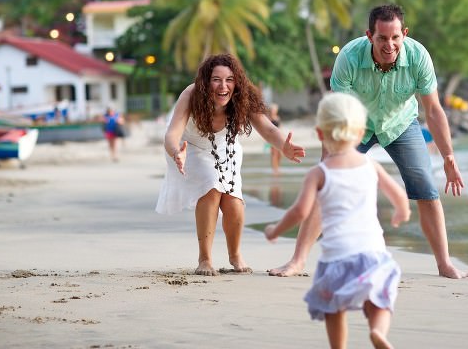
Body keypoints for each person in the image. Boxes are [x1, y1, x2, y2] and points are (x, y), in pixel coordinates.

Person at [269, 4, 468, 279]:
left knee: (426, 188)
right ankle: (297, 261)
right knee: (328, 185)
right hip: (356, 126)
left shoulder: (418, 56)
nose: (390, 45)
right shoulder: (349, 57)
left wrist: (448, 156)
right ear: (369, 36)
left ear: (404, 33)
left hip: (400, 124)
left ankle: (444, 264)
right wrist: (330, 159)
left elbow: (434, 110)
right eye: (382, 38)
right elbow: (338, 111)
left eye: (395, 37)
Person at [265, 92, 410, 349]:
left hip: (337, 256)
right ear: (361, 132)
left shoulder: (319, 173)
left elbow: (300, 212)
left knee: (334, 308)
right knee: (378, 300)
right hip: (373, 252)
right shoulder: (370, 165)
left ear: (320, 134)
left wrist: (275, 230)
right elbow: (398, 195)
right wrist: (402, 211)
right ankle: (378, 331)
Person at [156, 54, 306, 276]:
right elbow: (172, 134)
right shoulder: (191, 95)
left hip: (227, 148)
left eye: (229, 80)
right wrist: (176, 152)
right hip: (190, 149)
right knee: (211, 187)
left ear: (237, 82)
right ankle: (205, 259)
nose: (223, 86)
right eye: (216, 79)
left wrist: (284, 146)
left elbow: (267, 128)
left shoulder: (244, 95)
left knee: (234, 201)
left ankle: (235, 255)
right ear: (206, 82)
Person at [268, 103, 283, 175]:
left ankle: (277, 167)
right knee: (274, 153)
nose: (274, 111)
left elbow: (280, 128)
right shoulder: (268, 118)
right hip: (271, 137)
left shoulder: (278, 118)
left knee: (279, 153)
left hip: (278, 137)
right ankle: (274, 169)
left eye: (275, 110)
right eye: (273, 109)